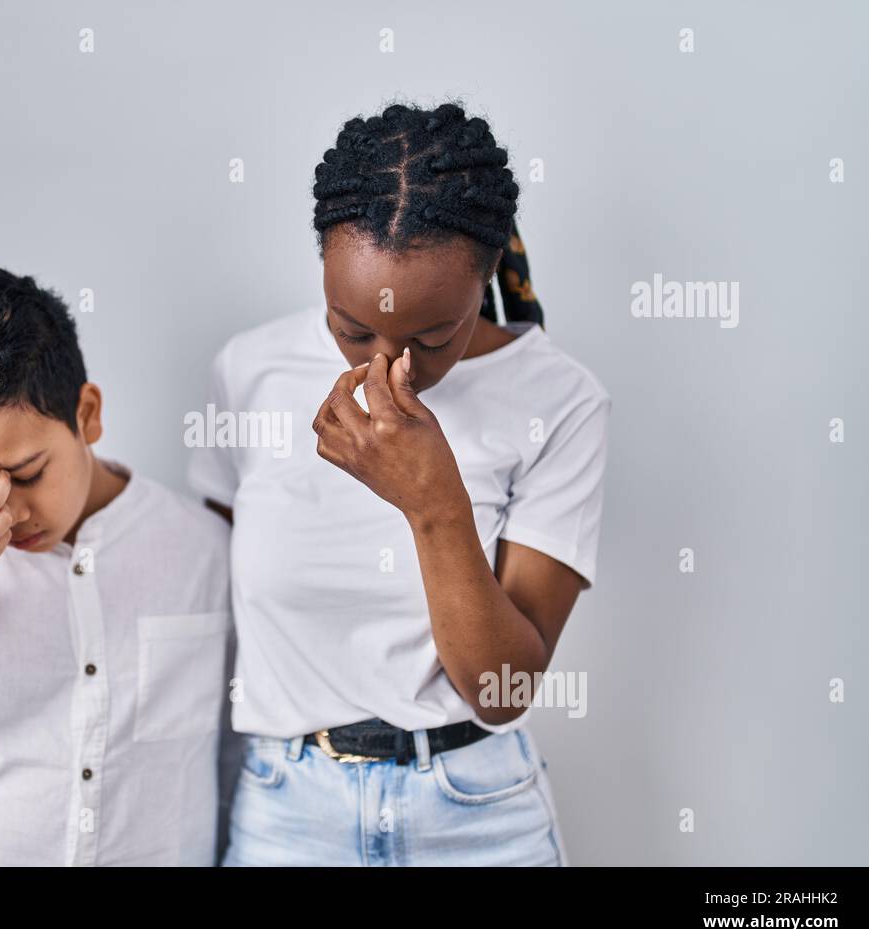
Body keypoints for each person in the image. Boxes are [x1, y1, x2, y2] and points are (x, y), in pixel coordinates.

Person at [186, 101, 613, 866]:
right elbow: (201, 608)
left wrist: (433, 501)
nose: (390, 367)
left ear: (486, 277)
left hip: (477, 816)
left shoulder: (561, 399)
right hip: (287, 816)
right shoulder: (248, 372)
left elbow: (503, 692)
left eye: (432, 336)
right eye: (351, 329)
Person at [0, 267, 235, 865]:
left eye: (28, 474)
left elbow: (234, 758)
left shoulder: (203, 549)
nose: (10, 512)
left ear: (88, 414)